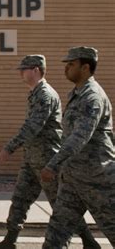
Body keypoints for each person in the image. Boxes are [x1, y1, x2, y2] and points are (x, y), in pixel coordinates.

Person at [0, 55, 99, 249]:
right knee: (20, 199)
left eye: (25, 69)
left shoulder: (45, 95)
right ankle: (10, 240)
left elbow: (33, 126)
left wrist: (10, 147)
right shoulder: (34, 93)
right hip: (32, 159)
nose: (21, 73)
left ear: (36, 70)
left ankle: (88, 240)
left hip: (48, 160)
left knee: (62, 204)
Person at [41, 46, 115, 248]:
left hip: (97, 180)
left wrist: (53, 165)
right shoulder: (76, 95)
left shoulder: (92, 98)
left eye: (71, 64)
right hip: (73, 180)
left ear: (86, 67)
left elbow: (79, 138)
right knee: (55, 236)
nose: (66, 68)